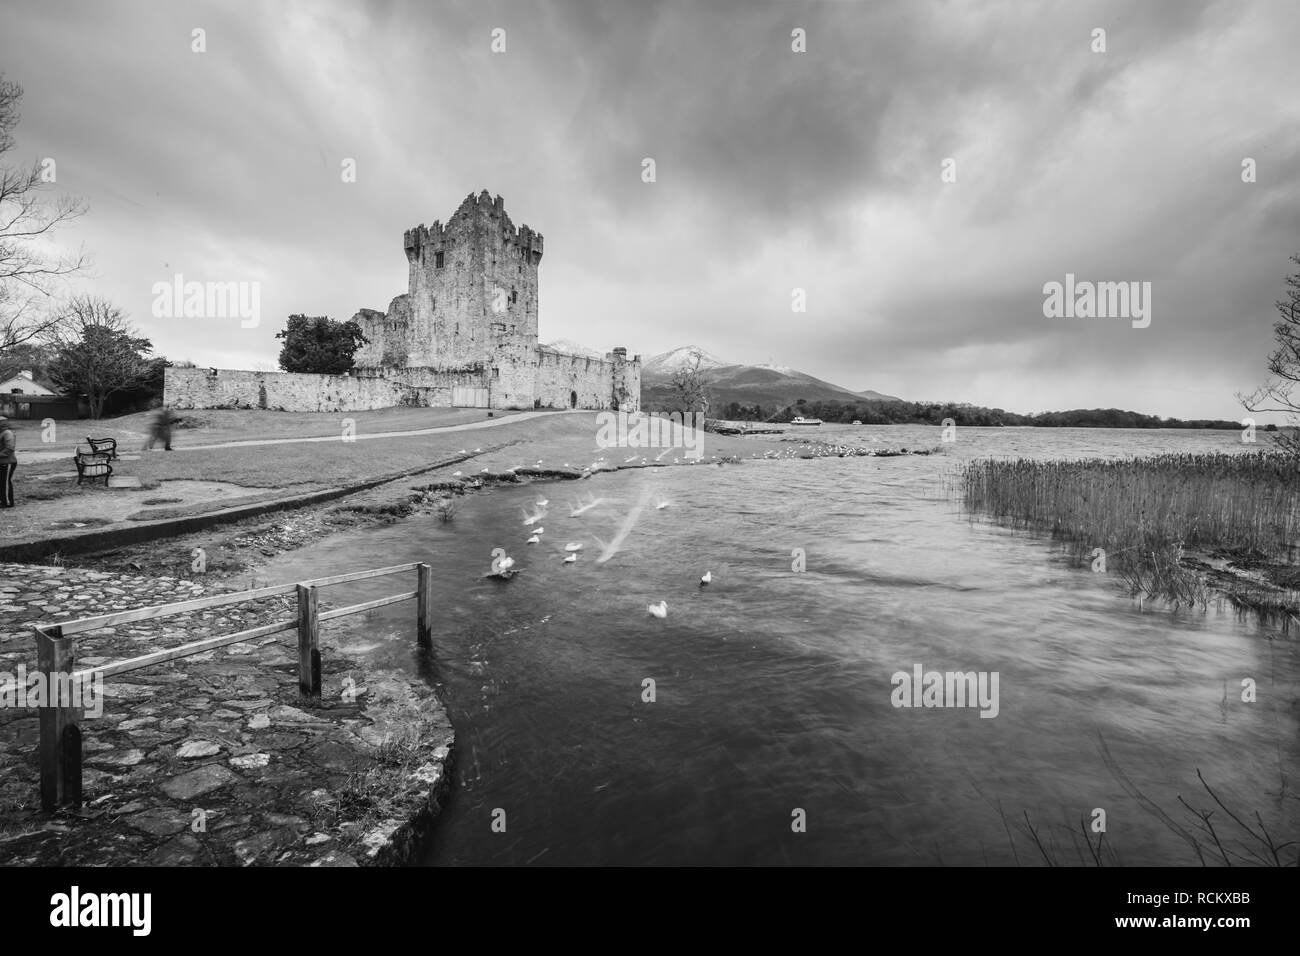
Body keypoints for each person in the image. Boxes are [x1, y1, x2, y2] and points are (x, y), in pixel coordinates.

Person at [0, 415, 16, 508]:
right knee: (1, 482)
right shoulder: (2, 433)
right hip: (2, 461)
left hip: (8, 462)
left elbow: (9, 449)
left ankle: (7, 502)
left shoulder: (7, 433)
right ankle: (3, 500)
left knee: (5, 482)